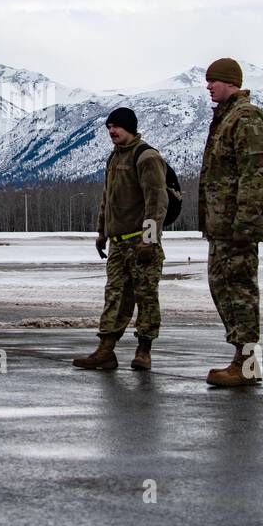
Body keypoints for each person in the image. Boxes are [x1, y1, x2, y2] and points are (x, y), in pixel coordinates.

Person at [199, 58, 263, 388]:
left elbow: (255, 175)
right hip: (222, 225)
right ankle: (241, 356)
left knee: (239, 289)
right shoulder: (225, 119)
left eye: (213, 81)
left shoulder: (246, 119)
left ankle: (246, 361)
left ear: (230, 82)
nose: (208, 86)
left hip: (237, 226)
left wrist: (245, 223)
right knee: (223, 287)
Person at [73, 107, 167, 371]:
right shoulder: (113, 158)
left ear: (130, 128)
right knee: (114, 297)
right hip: (118, 242)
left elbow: (156, 201)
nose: (112, 131)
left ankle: (144, 350)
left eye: (117, 126)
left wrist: (149, 240)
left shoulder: (146, 156)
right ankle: (106, 350)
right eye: (109, 127)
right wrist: (102, 232)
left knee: (146, 297)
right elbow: (107, 199)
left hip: (141, 243)